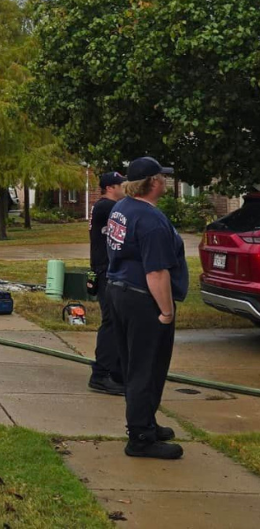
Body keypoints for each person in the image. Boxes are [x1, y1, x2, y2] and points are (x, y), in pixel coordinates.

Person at [104, 157, 187, 460]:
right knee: (146, 368)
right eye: (162, 177)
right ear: (153, 182)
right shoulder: (151, 221)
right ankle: (140, 438)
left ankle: (146, 422)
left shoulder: (122, 208)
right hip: (142, 298)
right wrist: (166, 311)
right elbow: (157, 272)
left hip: (119, 291)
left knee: (133, 364)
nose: (165, 181)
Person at [88, 172, 126, 396]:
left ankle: (116, 372)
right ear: (111, 187)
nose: (126, 188)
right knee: (111, 321)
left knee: (118, 321)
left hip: (108, 270)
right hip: (105, 271)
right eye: (123, 185)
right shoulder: (106, 207)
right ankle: (100, 375)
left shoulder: (107, 207)